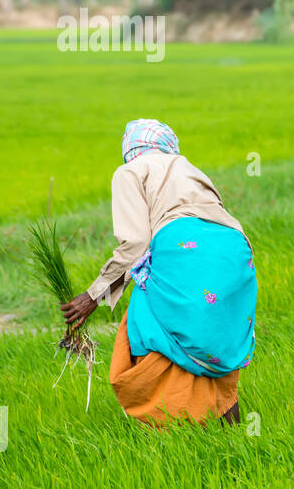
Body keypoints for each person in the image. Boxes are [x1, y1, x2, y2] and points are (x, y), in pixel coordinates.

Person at [60, 119, 256, 427]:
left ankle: (163, 427)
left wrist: (92, 296)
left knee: (144, 329)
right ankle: (230, 433)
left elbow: (137, 242)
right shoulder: (189, 167)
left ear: (130, 150)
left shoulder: (129, 171)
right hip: (235, 251)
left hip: (184, 247)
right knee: (212, 340)